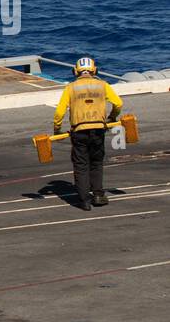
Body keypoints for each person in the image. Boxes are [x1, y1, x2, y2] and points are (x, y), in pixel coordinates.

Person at [52, 57, 122, 211]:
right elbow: (118, 103)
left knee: (81, 165)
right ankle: (98, 195)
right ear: (94, 70)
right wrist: (112, 117)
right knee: (96, 163)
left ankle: (84, 201)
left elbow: (59, 112)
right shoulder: (103, 85)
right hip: (98, 130)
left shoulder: (70, 88)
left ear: (75, 71)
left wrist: (57, 129)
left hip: (78, 131)